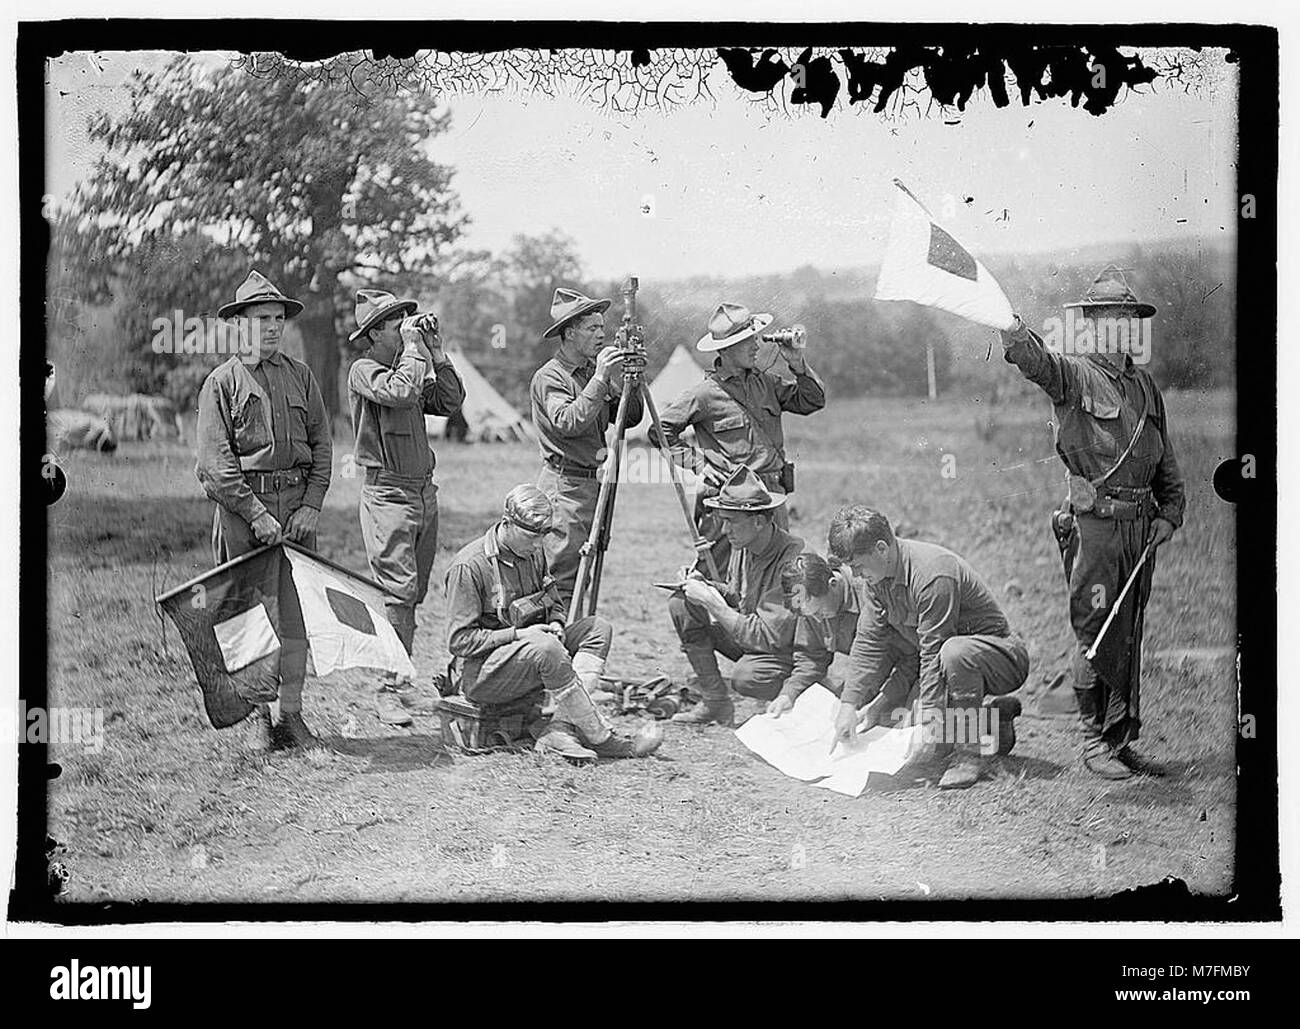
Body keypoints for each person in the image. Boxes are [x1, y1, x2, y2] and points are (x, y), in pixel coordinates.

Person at [1000, 266, 1185, 780]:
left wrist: (1170, 512)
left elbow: (1164, 457)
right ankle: (1091, 743)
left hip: (1140, 529)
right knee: (1096, 631)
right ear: (1091, 325)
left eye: (1125, 318)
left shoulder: (1144, 386)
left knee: (1128, 632)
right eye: (1106, 318)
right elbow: (1038, 363)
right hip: (1096, 528)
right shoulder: (1076, 375)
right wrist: (1014, 333)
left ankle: (1120, 739)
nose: (1117, 326)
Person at [195, 270, 333, 751]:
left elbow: (323, 445)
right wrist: (255, 514)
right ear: (240, 325)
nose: (271, 328)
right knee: (248, 619)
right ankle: (259, 720)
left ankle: (291, 717)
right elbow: (214, 464)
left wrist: (312, 505)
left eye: (277, 319)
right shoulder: (221, 383)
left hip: (296, 512)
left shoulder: (301, 376)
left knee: (294, 617)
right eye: (261, 319)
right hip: (241, 513)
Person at [443, 484, 662, 762]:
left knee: (597, 629)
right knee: (545, 646)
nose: (538, 544)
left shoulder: (532, 551)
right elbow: (459, 641)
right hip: (481, 675)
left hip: (529, 654)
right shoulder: (469, 566)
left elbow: (553, 600)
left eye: (543, 535)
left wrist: (557, 621)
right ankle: (602, 737)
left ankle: (560, 728)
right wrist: (520, 635)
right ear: (507, 523)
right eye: (531, 536)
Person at [827, 507, 1027, 790]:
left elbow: (934, 650)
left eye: (858, 567)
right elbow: (868, 640)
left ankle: (968, 755)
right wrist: (850, 704)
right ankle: (993, 722)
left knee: (952, 657)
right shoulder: (877, 579)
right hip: (950, 667)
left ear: (882, 548)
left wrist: (929, 721)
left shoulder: (931, 574)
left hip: (1000, 658)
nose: (856, 576)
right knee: (897, 726)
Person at [347, 289, 466, 726]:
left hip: (421, 493)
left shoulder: (410, 368)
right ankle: (387, 691)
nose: (405, 329)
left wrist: (436, 352)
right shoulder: (364, 371)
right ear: (375, 332)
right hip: (388, 494)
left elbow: (450, 402)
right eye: (397, 323)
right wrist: (416, 351)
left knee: (411, 594)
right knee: (397, 594)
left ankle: (398, 679)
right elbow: (398, 393)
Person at [652, 302, 825, 573]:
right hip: (730, 501)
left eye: (755, 338)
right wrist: (700, 466)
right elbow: (660, 431)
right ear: (726, 348)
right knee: (716, 575)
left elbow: (812, 401)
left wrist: (797, 365)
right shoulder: (704, 394)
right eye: (747, 341)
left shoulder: (767, 383)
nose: (756, 345)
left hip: (771, 497)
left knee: (776, 571)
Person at [530, 287, 644, 609]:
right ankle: (554, 650)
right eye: (592, 328)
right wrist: (601, 377)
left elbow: (629, 418)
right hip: (565, 490)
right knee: (561, 580)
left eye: (601, 327)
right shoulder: (550, 377)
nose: (600, 335)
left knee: (584, 573)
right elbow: (567, 421)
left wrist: (632, 380)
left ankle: (574, 643)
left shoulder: (592, 373)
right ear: (569, 333)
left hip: (592, 486)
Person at [667, 467, 805, 727]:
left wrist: (710, 601)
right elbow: (738, 594)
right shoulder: (744, 544)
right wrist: (704, 585)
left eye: (731, 521)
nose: (724, 529)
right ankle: (715, 701)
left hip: (783, 653)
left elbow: (769, 637)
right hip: (753, 638)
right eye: (723, 519)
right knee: (680, 603)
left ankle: (790, 704)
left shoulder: (791, 560)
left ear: (759, 521)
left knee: (747, 676)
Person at [767, 552, 919, 729]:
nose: (817, 620)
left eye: (818, 613)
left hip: (917, 668)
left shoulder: (873, 594)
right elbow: (811, 657)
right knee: (836, 716)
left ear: (833, 584)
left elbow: (912, 657)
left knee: (903, 726)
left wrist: (880, 703)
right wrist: (789, 693)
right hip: (870, 675)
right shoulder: (808, 603)